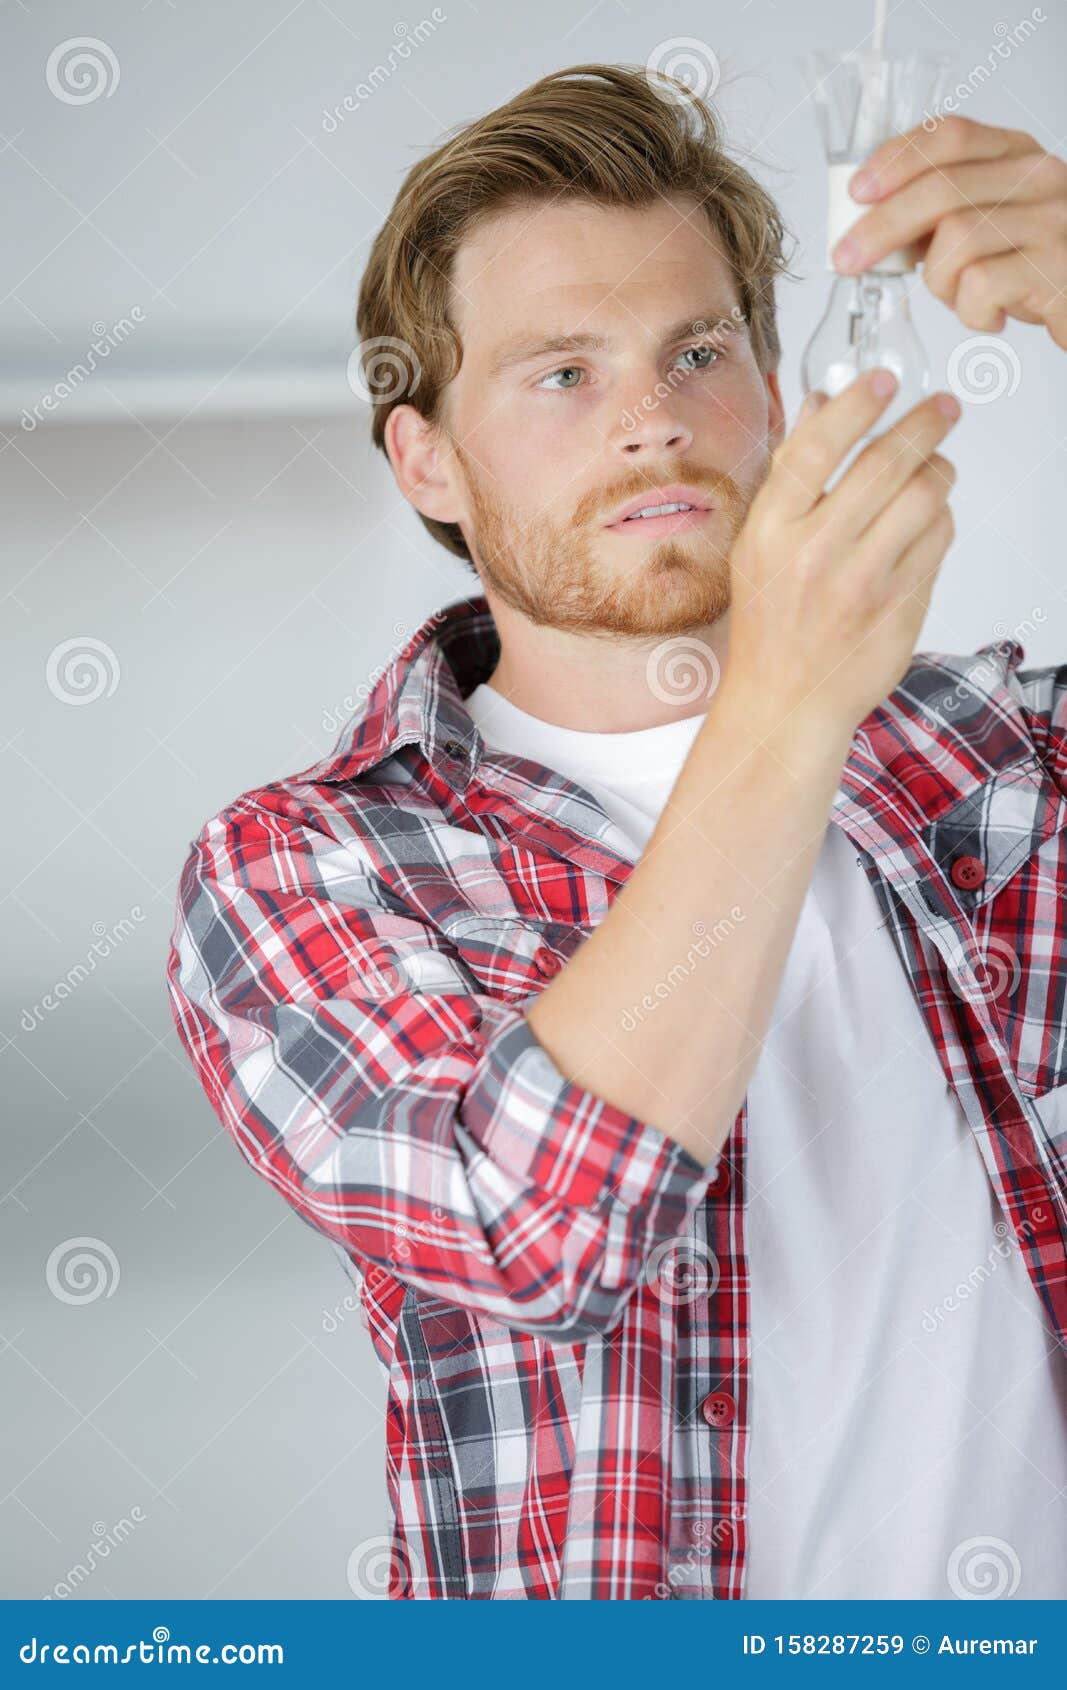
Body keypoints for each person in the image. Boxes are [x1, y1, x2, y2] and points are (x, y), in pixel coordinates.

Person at [166, 64, 1067, 1599]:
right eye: (561, 374)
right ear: (428, 459)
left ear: (774, 398)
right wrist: (786, 701)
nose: (654, 419)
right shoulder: (305, 866)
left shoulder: (1004, 759)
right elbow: (540, 1234)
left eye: (697, 350)